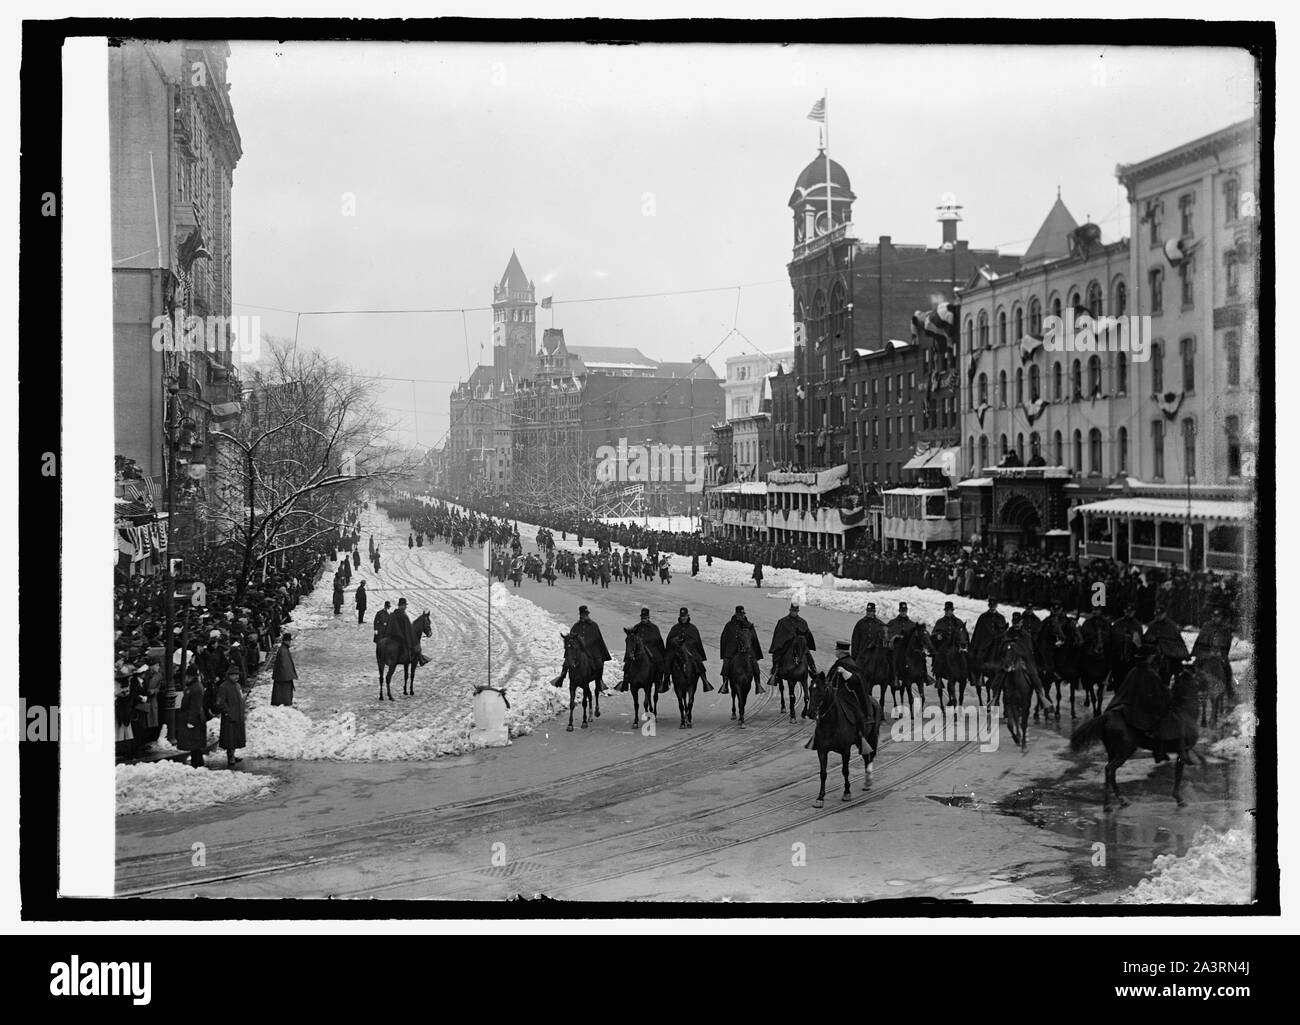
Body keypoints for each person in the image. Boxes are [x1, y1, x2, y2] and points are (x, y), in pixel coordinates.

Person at [1106, 636, 1173, 761]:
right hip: (1138, 711)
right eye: (1153, 656)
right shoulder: (1150, 674)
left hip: (1123, 704)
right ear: (1151, 658)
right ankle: (1158, 751)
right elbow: (1160, 696)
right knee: (1164, 720)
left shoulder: (1133, 670)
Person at [825, 639, 872, 750]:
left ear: (841, 652)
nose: (835, 651)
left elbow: (856, 681)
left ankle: (860, 737)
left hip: (847, 697)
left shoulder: (849, 663)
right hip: (835, 694)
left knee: (857, 715)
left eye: (837, 650)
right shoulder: (839, 663)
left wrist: (846, 673)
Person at [665, 607, 713, 692]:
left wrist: (687, 643)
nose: (683, 618)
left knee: (698, 661)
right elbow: (669, 640)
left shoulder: (693, 628)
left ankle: (705, 681)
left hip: (690, 650)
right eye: (682, 616)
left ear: (687, 616)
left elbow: (696, 640)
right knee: (668, 660)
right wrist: (676, 640)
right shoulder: (675, 628)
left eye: (685, 616)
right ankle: (665, 681)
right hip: (677, 650)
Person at [719, 605, 763, 696]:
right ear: (736, 614)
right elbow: (724, 639)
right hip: (732, 652)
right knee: (726, 663)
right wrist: (726, 653)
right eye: (739, 614)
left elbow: (754, 639)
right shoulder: (729, 625)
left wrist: (753, 652)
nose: (741, 616)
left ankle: (758, 684)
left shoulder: (749, 625)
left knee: (755, 664)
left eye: (742, 614)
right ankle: (725, 684)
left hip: (747, 651)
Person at [569, 605, 612, 693]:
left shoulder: (594, 625)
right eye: (583, 614)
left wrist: (589, 644)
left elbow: (598, 639)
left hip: (592, 650)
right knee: (567, 661)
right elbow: (572, 639)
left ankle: (599, 681)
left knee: (599, 663)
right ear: (580, 614)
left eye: (586, 614)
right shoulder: (576, 626)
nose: (585, 616)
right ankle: (562, 676)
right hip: (578, 651)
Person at [769, 601, 816, 678]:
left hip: (800, 644)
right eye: (792, 611)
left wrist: (805, 643)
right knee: (777, 655)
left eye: (796, 611)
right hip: (786, 644)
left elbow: (807, 634)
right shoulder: (782, 621)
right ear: (790, 610)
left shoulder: (803, 622)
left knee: (808, 654)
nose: (794, 612)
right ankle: (775, 673)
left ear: (798, 611)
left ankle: (814, 669)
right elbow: (778, 635)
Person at [625, 607, 666, 693]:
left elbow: (659, 642)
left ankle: (659, 682)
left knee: (659, 662)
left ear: (648, 617)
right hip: (639, 651)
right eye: (642, 618)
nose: (643, 619)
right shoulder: (636, 627)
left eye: (645, 617)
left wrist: (662, 654)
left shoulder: (654, 628)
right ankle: (625, 682)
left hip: (652, 649)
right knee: (628, 662)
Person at [176, 666, 209, 768]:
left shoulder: (195, 688)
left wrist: (191, 720)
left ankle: (197, 763)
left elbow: (195, 706)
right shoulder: (193, 686)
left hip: (195, 719)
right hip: (193, 717)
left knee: (194, 742)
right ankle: (197, 762)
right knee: (194, 743)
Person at [215, 667, 246, 768]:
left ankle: (233, 753)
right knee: (230, 738)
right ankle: (230, 756)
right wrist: (228, 712)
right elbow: (220, 702)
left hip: (238, 715)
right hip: (230, 717)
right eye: (234, 675)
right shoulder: (224, 687)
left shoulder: (237, 685)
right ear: (229, 676)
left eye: (237, 674)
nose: (237, 676)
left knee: (236, 737)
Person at [271, 633, 298, 707]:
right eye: (289, 641)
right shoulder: (284, 651)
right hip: (284, 677)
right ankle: (284, 703)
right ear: (287, 641)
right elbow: (285, 665)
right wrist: (291, 675)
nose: (290, 642)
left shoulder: (283, 649)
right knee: (283, 692)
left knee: (280, 692)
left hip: (282, 676)